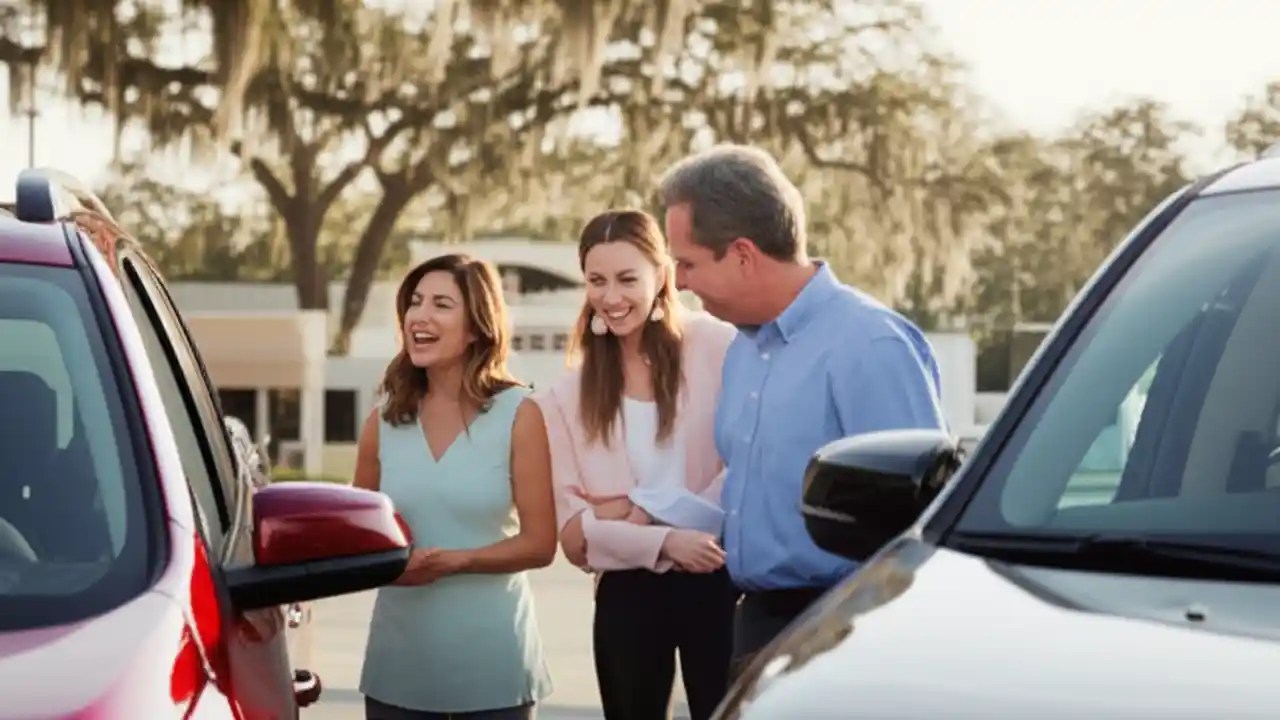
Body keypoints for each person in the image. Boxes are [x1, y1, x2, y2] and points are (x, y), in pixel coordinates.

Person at [658, 144, 948, 676]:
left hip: (846, 631)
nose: (678, 283)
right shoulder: (743, 348)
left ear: (743, 254)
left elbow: (917, 522)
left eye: (688, 263)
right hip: (757, 625)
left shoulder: (870, 345)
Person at [532, 209, 740, 720]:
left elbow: (746, 464)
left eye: (627, 278)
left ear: (662, 274)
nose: (611, 296)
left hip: (717, 575)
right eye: (596, 281)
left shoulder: (720, 346)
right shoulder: (566, 395)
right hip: (627, 593)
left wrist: (635, 510)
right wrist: (665, 540)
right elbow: (576, 535)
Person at [354, 253, 557, 720]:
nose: (420, 315)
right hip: (398, 668)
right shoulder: (383, 421)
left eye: (441, 304)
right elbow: (356, 543)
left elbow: (541, 544)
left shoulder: (521, 414)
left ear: (475, 329)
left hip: (495, 669)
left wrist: (459, 560)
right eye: (415, 302)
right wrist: (394, 567)